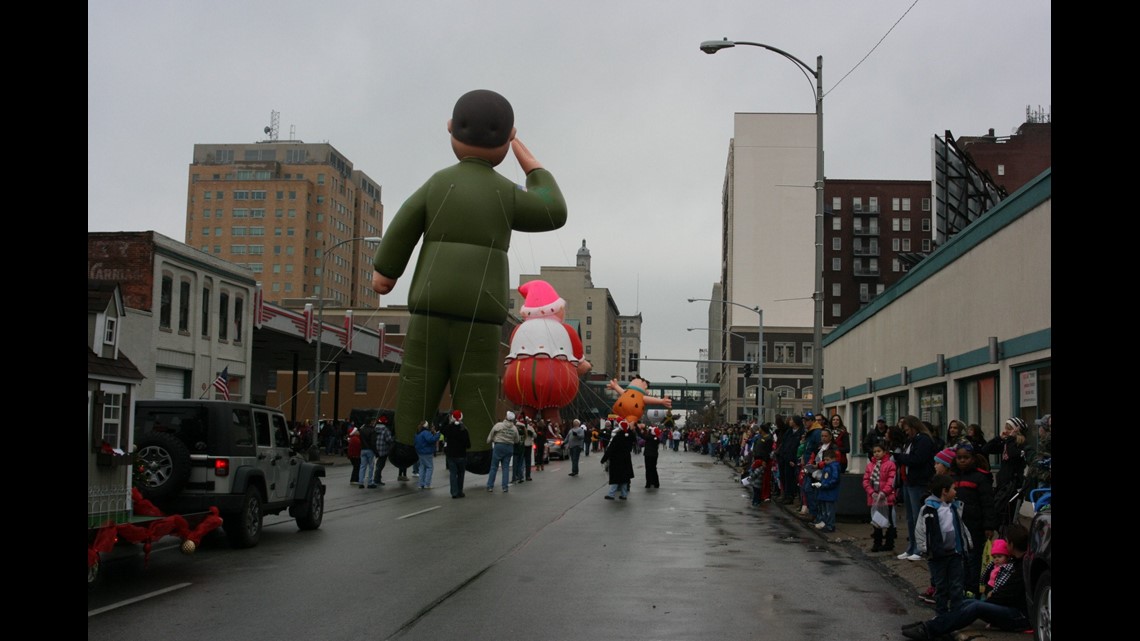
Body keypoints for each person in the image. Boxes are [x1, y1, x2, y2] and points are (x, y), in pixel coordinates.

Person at [370, 89, 568, 477]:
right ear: (507, 136)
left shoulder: (436, 184)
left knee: (417, 375)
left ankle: (405, 441)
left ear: (450, 129)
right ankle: (479, 448)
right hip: (482, 311)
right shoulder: (506, 195)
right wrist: (524, 155)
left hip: (430, 303)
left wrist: (386, 271)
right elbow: (553, 208)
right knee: (477, 380)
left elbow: (403, 226)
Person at [900, 526, 1030, 640]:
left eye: (1007, 542)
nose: (1006, 545)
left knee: (976, 607)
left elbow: (1007, 595)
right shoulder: (1017, 561)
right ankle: (934, 625)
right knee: (967, 602)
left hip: (1018, 617)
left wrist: (987, 600)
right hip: (1010, 608)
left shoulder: (1023, 567)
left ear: (1012, 545)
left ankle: (929, 630)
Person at [914, 474, 973, 616]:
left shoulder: (953, 508)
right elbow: (921, 531)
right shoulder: (928, 510)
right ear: (944, 491)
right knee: (941, 586)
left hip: (955, 553)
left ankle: (957, 613)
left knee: (957, 585)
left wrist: (967, 543)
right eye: (953, 489)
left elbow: (961, 527)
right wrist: (925, 548)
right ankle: (941, 614)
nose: (956, 492)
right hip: (937, 555)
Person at [952, 443, 997, 596]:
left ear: (972, 458)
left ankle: (974, 588)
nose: (962, 461)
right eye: (959, 458)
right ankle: (962, 586)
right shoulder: (953, 476)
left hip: (975, 525)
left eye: (966, 458)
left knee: (974, 557)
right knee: (960, 557)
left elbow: (987, 503)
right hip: (957, 524)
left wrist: (989, 525)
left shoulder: (980, 477)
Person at [893, 415, 938, 562]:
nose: (906, 432)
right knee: (910, 518)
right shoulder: (911, 441)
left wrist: (899, 457)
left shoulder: (923, 440)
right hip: (909, 482)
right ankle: (911, 547)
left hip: (918, 482)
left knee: (918, 517)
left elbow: (918, 459)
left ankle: (920, 548)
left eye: (907, 429)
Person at [981, 417, 1030, 530]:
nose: (1006, 431)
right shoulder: (1007, 443)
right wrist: (999, 438)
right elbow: (985, 449)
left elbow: (1013, 454)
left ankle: (1009, 539)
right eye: (1006, 428)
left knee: (1007, 515)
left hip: (1013, 485)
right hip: (1002, 484)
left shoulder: (1019, 443)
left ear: (1016, 430)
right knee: (998, 514)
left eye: (1009, 428)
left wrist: (1010, 439)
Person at [862, 443, 899, 552]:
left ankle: (889, 543)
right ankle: (877, 543)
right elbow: (866, 481)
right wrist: (871, 492)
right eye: (875, 452)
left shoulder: (890, 464)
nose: (877, 454)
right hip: (874, 497)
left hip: (887, 498)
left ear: (884, 452)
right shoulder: (870, 466)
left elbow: (891, 480)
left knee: (889, 522)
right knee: (876, 521)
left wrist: (884, 492)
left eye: (879, 451)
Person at [607, 376, 673, 424]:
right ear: (645, 387)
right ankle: (626, 424)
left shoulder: (626, 392)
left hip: (618, 409)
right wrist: (661, 401)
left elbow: (620, 390)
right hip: (632, 414)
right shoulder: (641, 396)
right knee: (630, 420)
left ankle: (621, 423)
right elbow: (649, 399)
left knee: (618, 418)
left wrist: (615, 386)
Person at [600, 420, 635, 500]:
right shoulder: (629, 436)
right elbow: (634, 439)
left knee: (615, 478)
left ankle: (611, 494)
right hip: (626, 459)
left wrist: (603, 459)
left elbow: (610, 449)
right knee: (624, 478)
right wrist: (629, 429)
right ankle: (624, 494)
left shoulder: (617, 437)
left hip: (616, 460)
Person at [440, 410, 471, 498]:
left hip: (451, 455)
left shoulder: (449, 428)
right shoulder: (464, 430)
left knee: (453, 474)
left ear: (452, 418)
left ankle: (454, 492)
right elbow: (468, 445)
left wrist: (446, 419)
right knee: (461, 474)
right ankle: (460, 491)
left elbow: (441, 429)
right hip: (461, 455)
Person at [486, 411, 520, 493]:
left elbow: (491, 435)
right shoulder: (514, 428)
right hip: (509, 448)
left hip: (499, 446)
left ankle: (490, 486)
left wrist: (489, 441)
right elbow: (517, 440)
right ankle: (505, 487)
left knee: (494, 467)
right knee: (506, 468)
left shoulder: (499, 425)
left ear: (506, 417)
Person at [811, 449, 841, 532]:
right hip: (824, 491)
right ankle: (825, 523)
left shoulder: (834, 467)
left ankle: (830, 525)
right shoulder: (827, 467)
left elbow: (834, 479)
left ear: (834, 459)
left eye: (828, 460)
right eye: (825, 460)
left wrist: (825, 485)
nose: (826, 461)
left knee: (829, 511)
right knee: (824, 510)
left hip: (829, 492)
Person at [778, 415, 804, 505]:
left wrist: (793, 459)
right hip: (784, 458)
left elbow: (797, 447)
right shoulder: (789, 432)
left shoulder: (801, 432)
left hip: (793, 459)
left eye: (791, 420)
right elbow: (784, 444)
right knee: (784, 477)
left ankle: (790, 496)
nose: (789, 422)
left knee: (791, 479)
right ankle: (786, 495)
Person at [413, 420, 440, 490]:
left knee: (422, 468)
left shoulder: (418, 433)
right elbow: (431, 439)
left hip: (420, 453)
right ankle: (427, 484)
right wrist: (437, 434)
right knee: (430, 467)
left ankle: (421, 484)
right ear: (426, 426)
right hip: (427, 452)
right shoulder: (426, 433)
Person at [373, 415, 394, 486]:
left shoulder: (374, 428)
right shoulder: (385, 430)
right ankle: (377, 479)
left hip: (375, 449)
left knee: (377, 464)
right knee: (380, 465)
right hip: (383, 450)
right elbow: (389, 440)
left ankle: (376, 478)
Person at [358, 420, 377, 489]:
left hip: (363, 449)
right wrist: (375, 451)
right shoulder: (372, 430)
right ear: (371, 423)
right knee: (371, 467)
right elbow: (373, 442)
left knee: (362, 467)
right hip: (370, 450)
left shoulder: (362, 430)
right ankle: (370, 482)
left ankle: (361, 482)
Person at [641, 422, 661, 489]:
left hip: (648, 455)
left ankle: (648, 483)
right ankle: (656, 483)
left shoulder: (648, 437)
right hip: (654, 455)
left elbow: (642, 435)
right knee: (654, 468)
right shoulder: (657, 439)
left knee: (648, 469)